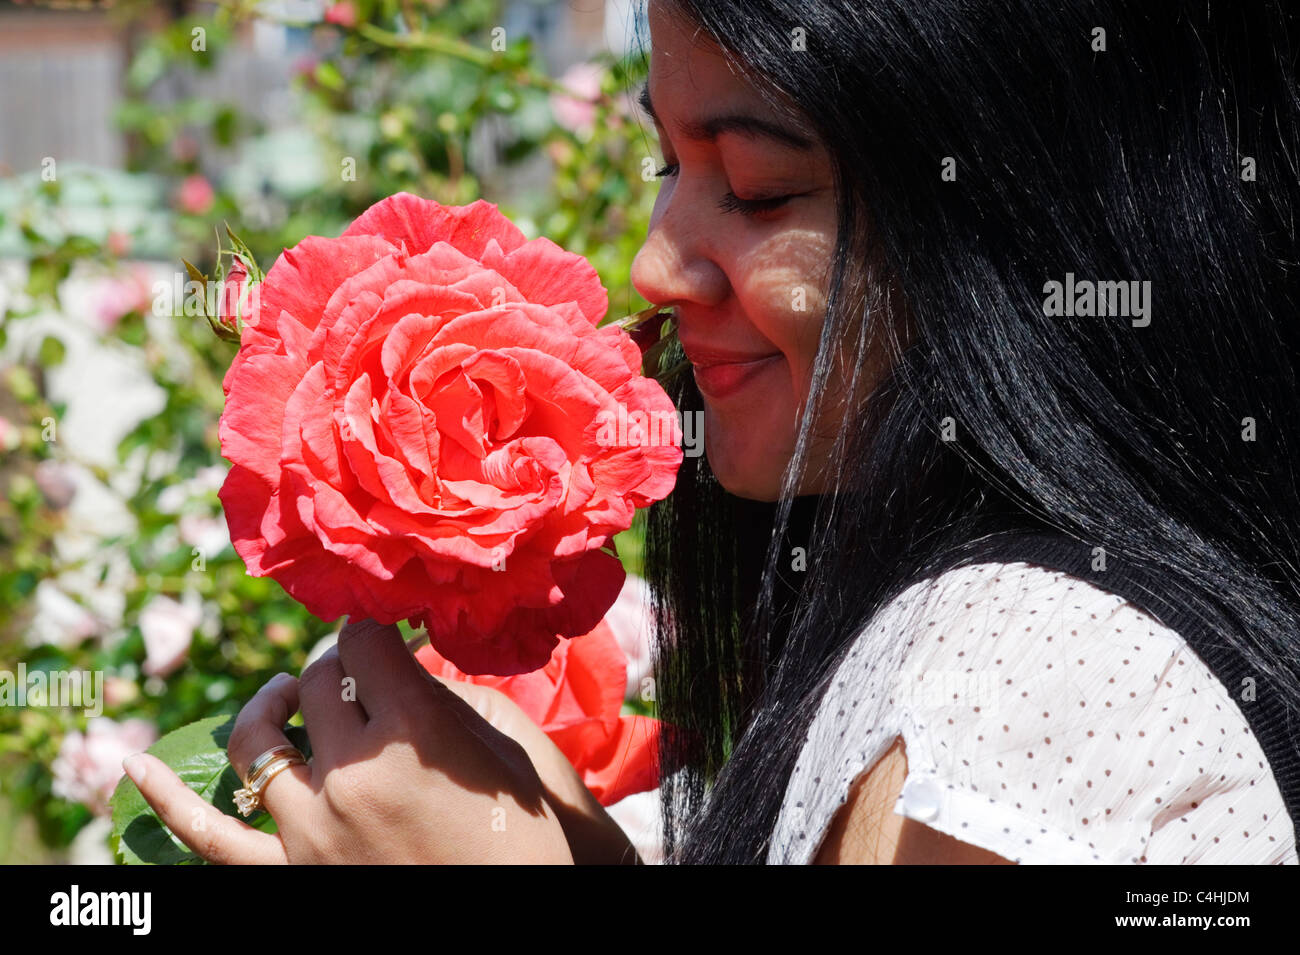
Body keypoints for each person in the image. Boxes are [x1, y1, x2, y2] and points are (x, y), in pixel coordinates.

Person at [126, 0, 1300, 864]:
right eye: (663, 157)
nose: (647, 264)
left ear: (1023, 221)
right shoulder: (975, 615)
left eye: (753, 186)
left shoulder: (1024, 666)